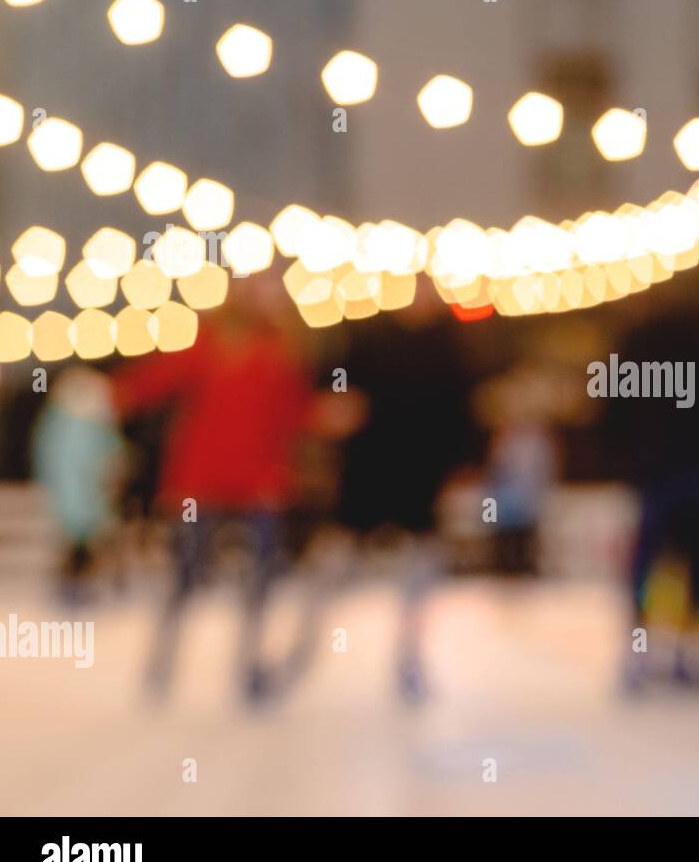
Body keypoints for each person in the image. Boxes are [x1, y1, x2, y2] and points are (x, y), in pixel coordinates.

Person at [113, 276, 320, 705]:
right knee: (186, 577)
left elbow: (296, 413)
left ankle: (246, 665)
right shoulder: (208, 347)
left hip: (257, 485)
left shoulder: (280, 354)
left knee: (260, 580)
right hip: (200, 486)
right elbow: (150, 382)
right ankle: (163, 664)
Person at [330, 284, 478, 703]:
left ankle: (410, 661)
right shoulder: (370, 340)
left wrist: (460, 463)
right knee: (335, 570)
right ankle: (291, 661)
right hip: (368, 477)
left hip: (419, 481)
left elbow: (461, 412)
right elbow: (337, 390)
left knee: (420, 577)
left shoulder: (449, 349)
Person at [607, 304, 699, 689]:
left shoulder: (639, 347)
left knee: (656, 567)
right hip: (695, 475)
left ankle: (646, 653)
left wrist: (633, 463)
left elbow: (613, 414)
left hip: (664, 475)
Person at [30, 366, 124, 606]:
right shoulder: (85, 424)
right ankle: (80, 586)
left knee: (81, 544)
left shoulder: (58, 423)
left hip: (80, 499)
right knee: (82, 544)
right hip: (84, 499)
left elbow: (45, 455)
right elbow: (112, 456)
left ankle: (79, 585)